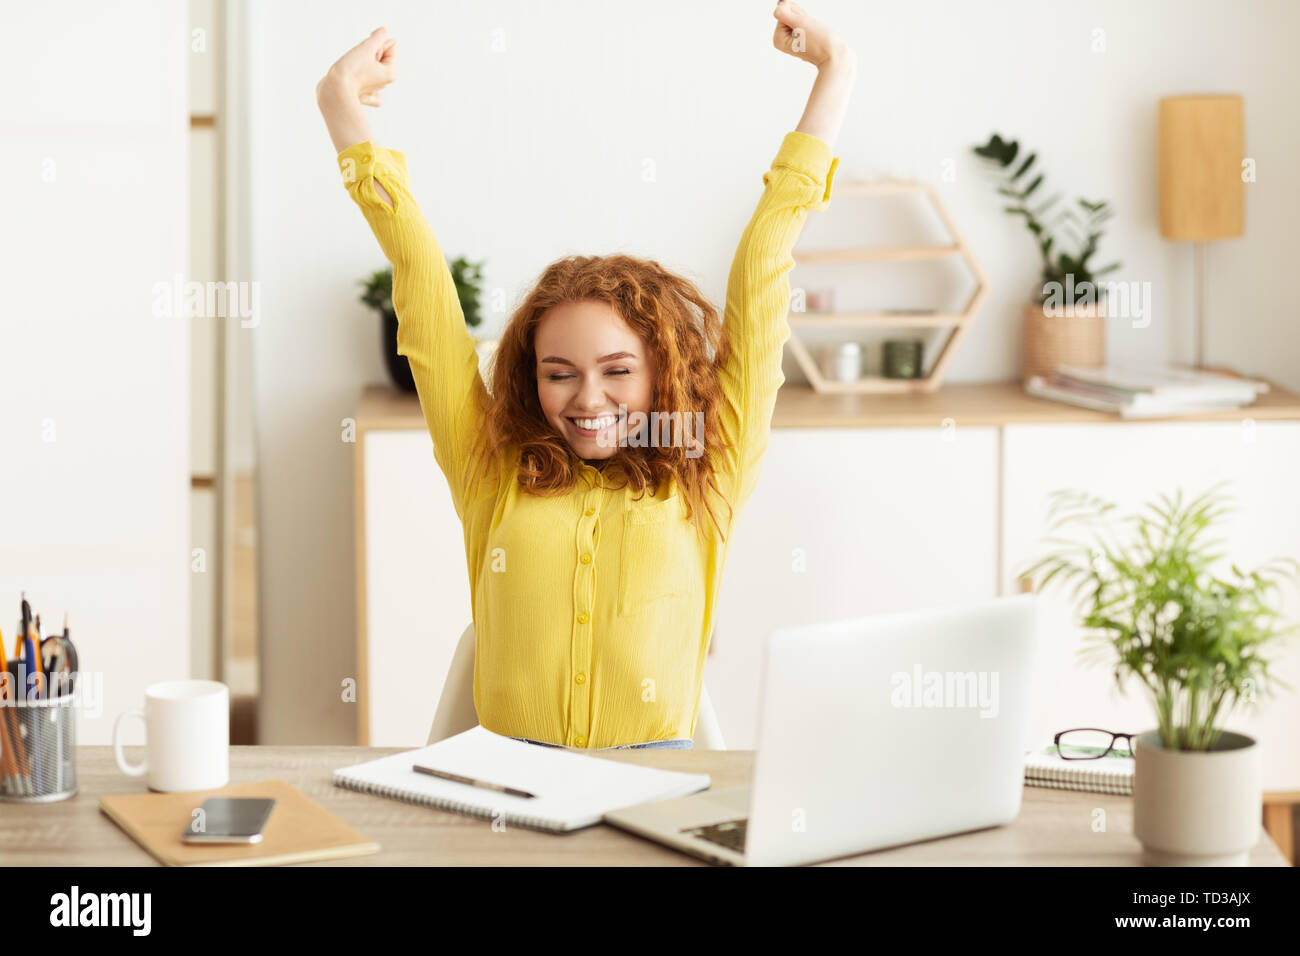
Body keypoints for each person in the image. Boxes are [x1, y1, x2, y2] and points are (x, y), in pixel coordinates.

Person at [316, 2, 856, 751]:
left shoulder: (708, 463)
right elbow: (422, 285)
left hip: (657, 796)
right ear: (531, 379)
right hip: (508, 796)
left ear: (662, 372)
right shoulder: (491, 466)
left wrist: (836, 75)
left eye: (618, 370)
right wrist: (342, 112)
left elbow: (766, 263)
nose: (588, 398)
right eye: (559, 372)